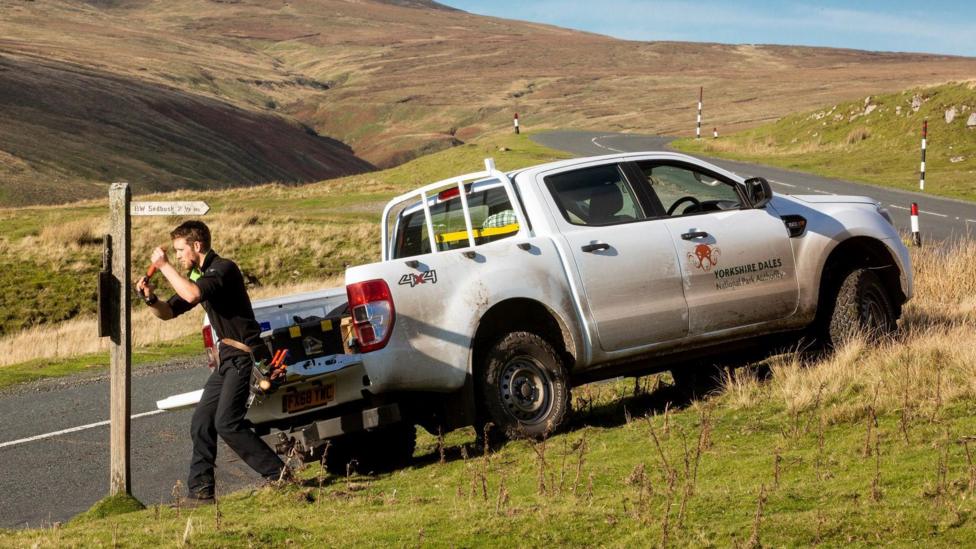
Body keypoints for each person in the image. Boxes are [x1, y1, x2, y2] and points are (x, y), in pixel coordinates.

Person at [135, 220, 286, 505]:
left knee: (227, 423)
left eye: (180, 250)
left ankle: (280, 476)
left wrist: (163, 266)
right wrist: (151, 299)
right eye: (175, 253)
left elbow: (191, 293)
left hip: (245, 355)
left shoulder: (224, 269)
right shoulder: (201, 276)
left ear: (197, 245)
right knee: (202, 421)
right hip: (228, 357)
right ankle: (201, 493)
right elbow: (169, 312)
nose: (178, 256)